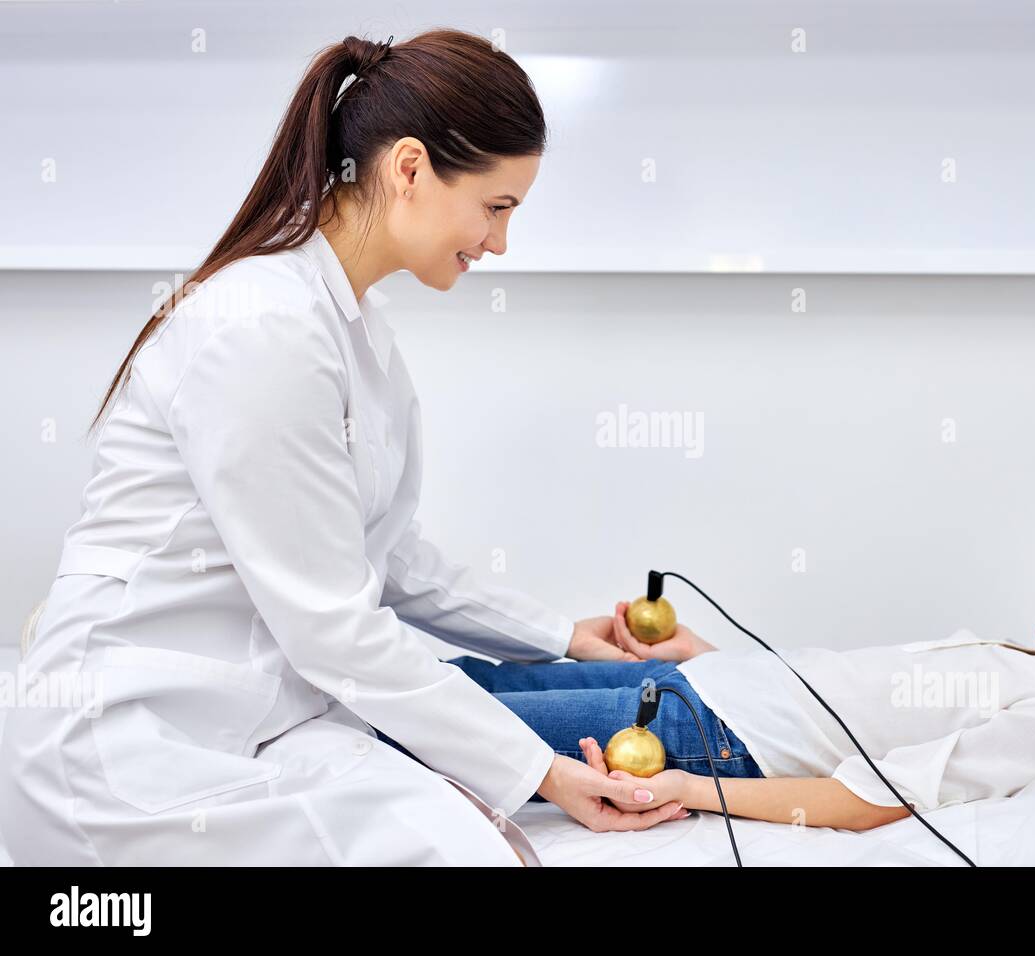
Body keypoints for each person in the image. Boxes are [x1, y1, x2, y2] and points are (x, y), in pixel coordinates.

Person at [0, 30, 687, 867]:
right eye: (497, 207)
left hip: (254, 718)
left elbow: (388, 561)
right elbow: (333, 627)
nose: (500, 242)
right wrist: (539, 772)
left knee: (478, 840)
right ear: (408, 169)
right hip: (130, 747)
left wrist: (559, 635)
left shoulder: (350, 330)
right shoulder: (262, 327)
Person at [376, 500, 1035, 830]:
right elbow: (833, 698)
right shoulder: (1025, 662)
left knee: (415, 727)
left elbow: (869, 799)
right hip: (699, 693)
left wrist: (688, 794)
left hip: (699, 738)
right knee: (452, 685)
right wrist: (708, 656)